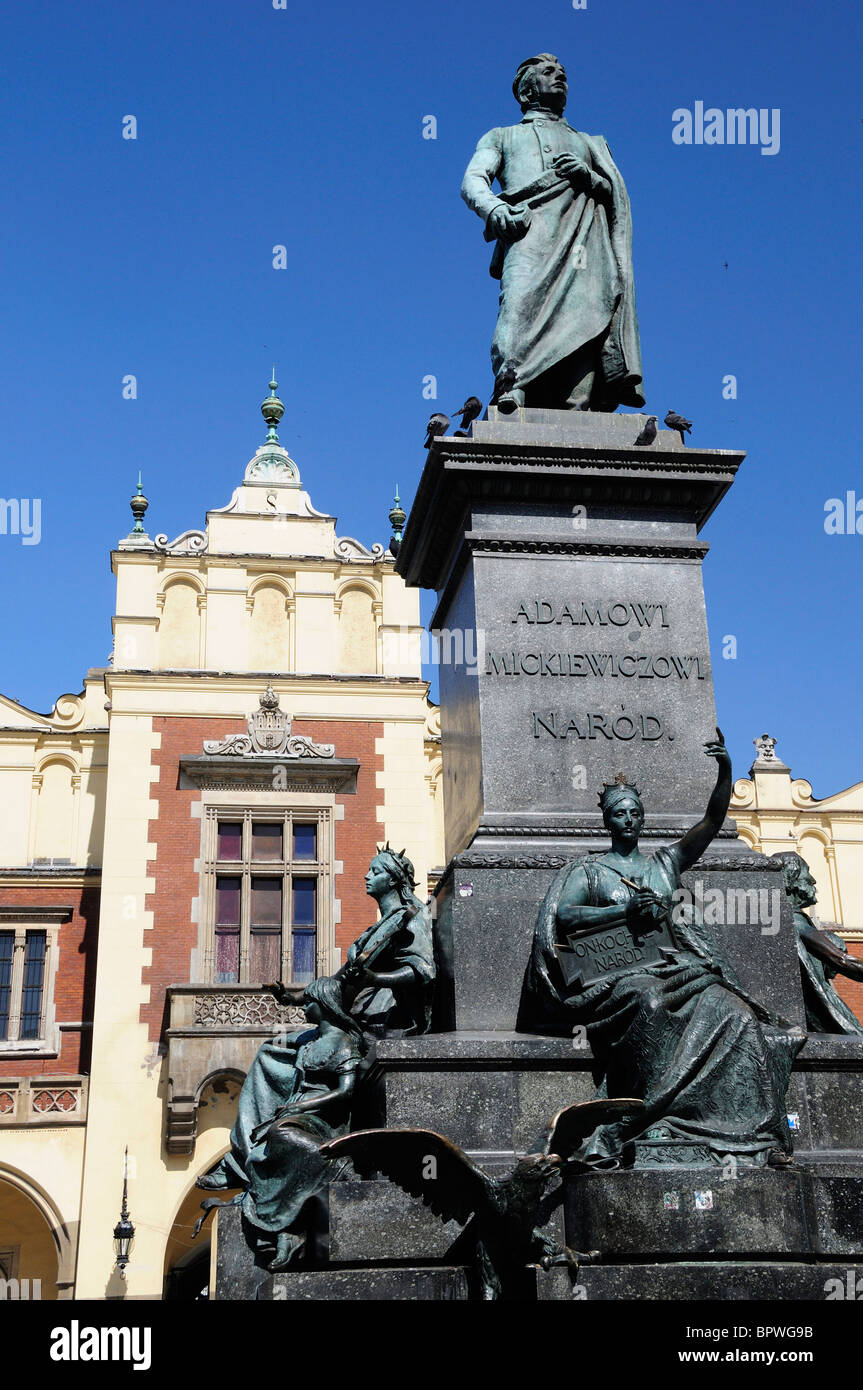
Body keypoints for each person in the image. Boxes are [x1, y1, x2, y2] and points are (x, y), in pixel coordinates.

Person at [522, 731, 804, 1166]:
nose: (629, 819)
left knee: (739, 1015)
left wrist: (725, 770)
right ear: (608, 821)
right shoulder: (591, 869)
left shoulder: (665, 863)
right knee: (650, 1003)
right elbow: (567, 917)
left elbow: (711, 823)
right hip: (619, 973)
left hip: (675, 966)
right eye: (620, 813)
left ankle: (755, 1134)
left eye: (635, 812)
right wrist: (625, 913)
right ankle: (648, 1118)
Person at [461, 53, 644, 413]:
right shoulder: (502, 136)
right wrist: (495, 208)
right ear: (527, 91)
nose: (559, 76)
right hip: (529, 234)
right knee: (517, 307)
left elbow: (614, 198)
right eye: (548, 72)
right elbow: (472, 180)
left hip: (584, 243)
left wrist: (588, 177)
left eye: (563, 72)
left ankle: (579, 405)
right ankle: (512, 385)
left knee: (588, 314)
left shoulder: (589, 142)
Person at [196, 975, 366, 1270]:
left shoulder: (343, 1043)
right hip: (297, 1114)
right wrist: (287, 998)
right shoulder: (310, 1041)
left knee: (279, 1133)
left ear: (323, 1005)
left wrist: (301, 1104)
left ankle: (324, 1171)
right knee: (265, 1057)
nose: (303, 1008)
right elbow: (302, 1007)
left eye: (309, 1002)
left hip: (322, 1120)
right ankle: (239, 1164)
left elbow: (346, 1090)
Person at [341, 847, 435, 1035]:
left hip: (389, 1020)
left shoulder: (409, 919)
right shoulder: (376, 929)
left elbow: (424, 970)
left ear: (392, 879)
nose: (367, 876)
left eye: (375, 872)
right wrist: (297, 998)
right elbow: (340, 978)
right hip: (361, 1014)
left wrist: (375, 978)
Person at [772, 851, 863, 1035]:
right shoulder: (795, 922)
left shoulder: (780, 921)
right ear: (790, 880)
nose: (813, 880)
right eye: (807, 872)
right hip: (822, 1023)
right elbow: (842, 961)